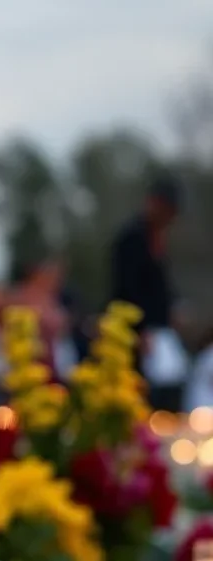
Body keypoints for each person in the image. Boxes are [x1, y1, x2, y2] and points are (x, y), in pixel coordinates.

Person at [111, 176, 187, 411]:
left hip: (160, 333)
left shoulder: (156, 239)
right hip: (139, 336)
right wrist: (140, 330)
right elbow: (127, 288)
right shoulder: (132, 238)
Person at [9, 256, 72, 376]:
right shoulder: (22, 297)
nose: (56, 280)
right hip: (30, 363)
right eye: (51, 274)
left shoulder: (52, 298)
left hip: (54, 363)